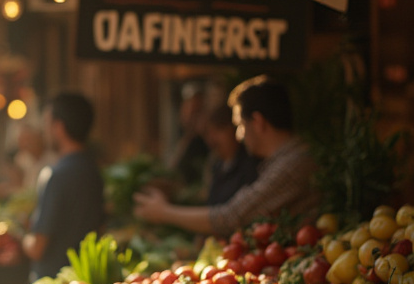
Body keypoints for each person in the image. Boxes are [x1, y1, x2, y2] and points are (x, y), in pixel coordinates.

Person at [133, 76, 319, 236]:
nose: (239, 135)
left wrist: (164, 212)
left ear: (258, 122)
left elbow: (231, 218)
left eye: (240, 125)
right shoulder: (282, 161)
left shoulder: (293, 164)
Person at [23, 92, 106, 281]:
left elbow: (37, 248)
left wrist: (21, 238)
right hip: (83, 281)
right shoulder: (94, 171)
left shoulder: (55, 175)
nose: (44, 132)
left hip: (53, 283)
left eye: (46, 123)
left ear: (58, 127)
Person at [201, 104, 261, 206]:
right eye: (209, 133)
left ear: (234, 129)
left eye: (219, 130)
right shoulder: (217, 166)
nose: (212, 139)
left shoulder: (251, 166)